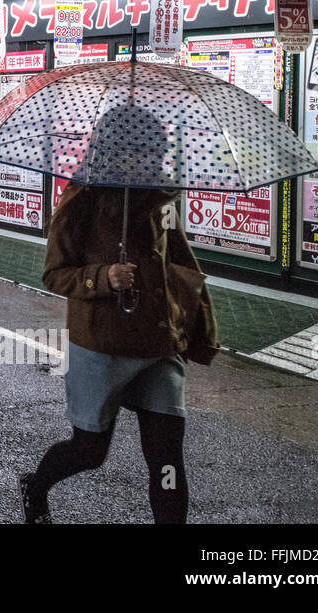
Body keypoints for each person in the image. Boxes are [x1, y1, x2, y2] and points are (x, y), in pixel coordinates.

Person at [20, 182, 218, 524]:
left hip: (158, 345)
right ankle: (36, 487)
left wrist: (199, 328)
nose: (154, 156)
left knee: (167, 458)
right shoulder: (83, 198)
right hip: (100, 343)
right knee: (88, 452)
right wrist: (102, 278)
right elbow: (54, 274)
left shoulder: (163, 199)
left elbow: (182, 263)